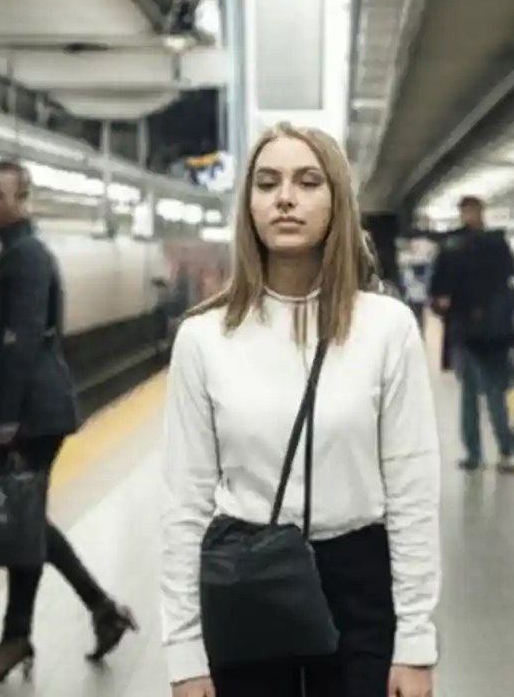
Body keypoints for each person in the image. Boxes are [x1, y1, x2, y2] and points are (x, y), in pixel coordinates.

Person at [160, 123, 441, 697]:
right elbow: (184, 502)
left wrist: (416, 640)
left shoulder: (386, 328)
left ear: (338, 202)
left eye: (308, 182)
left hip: (359, 586)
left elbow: (413, 489)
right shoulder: (204, 338)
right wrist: (184, 652)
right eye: (267, 183)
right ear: (249, 206)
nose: (285, 198)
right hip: (248, 583)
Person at [0, 160, 136, 686]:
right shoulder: (15, 255)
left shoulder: (27, 258)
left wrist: (5, 422)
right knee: (25, 521)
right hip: (30, 410)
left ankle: (34, 631)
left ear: (20, 200)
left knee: (24, 520)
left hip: (33, 413)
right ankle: (85, 615)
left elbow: (24, 342)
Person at [430, 196, 514, 471]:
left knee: (478, 394)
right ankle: (500, 451)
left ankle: (482, 453)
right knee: (487, 393)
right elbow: (510, 281)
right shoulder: (495, 244)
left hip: (472, 331)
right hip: (487, 331)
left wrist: (446, 306)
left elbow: (438, 293)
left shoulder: (454, 246)